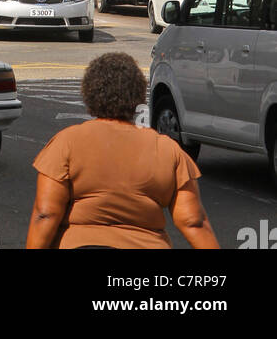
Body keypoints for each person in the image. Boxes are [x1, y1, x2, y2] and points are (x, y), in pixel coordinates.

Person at [26, 52, 219, 250]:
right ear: (137, 96)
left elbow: (45, 214)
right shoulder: (167, 150)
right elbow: (193, 222)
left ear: (89, 93)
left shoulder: (66, 142)